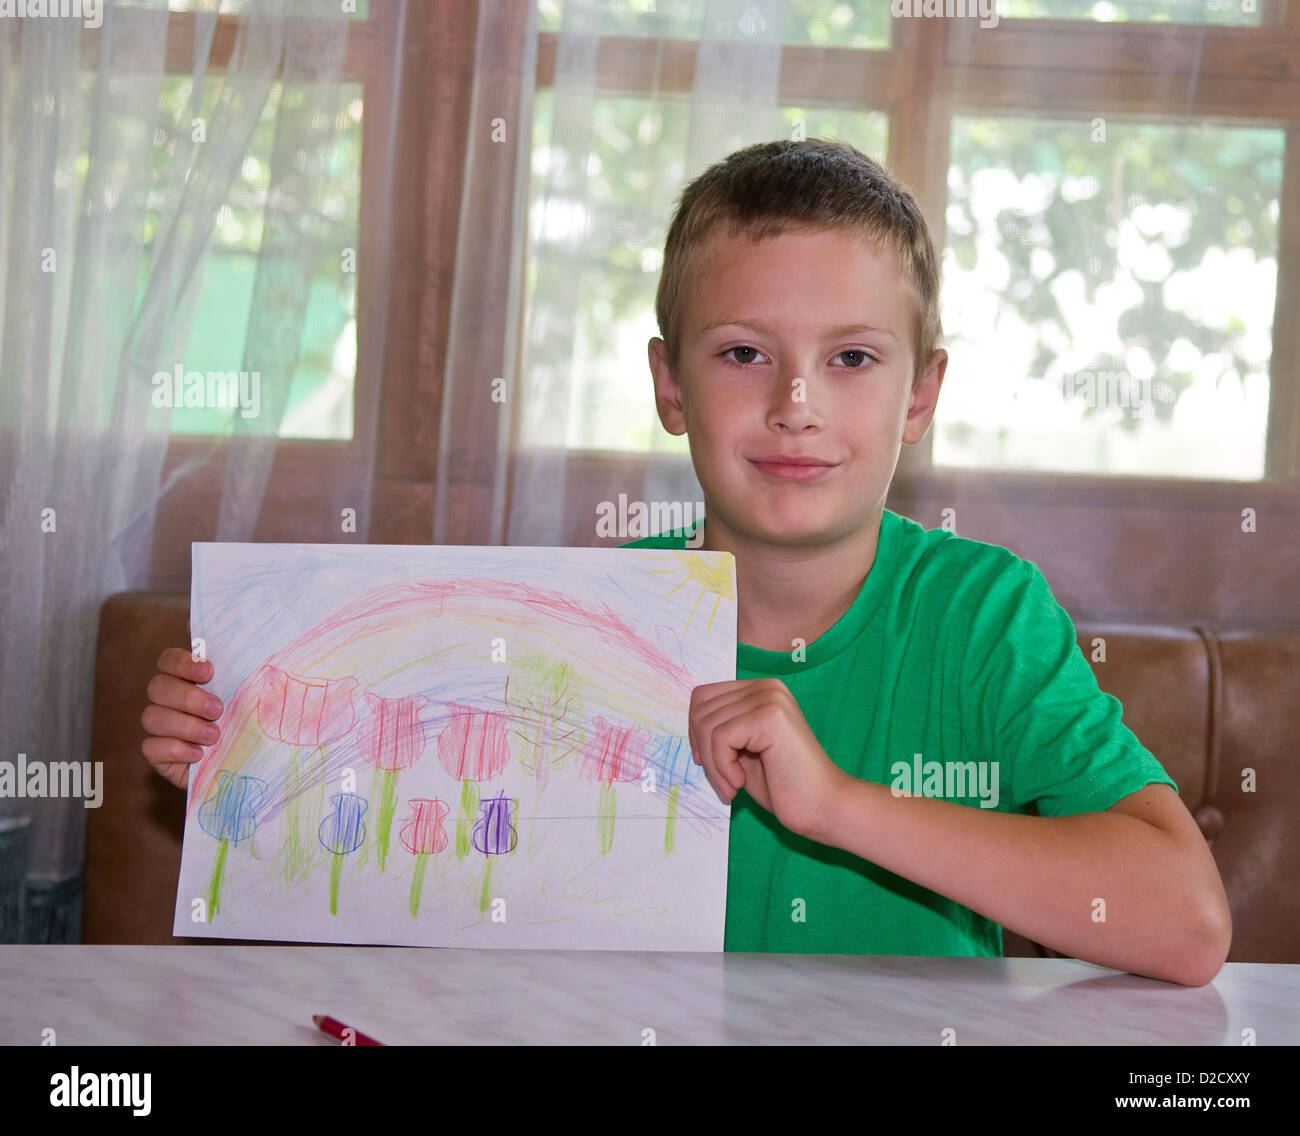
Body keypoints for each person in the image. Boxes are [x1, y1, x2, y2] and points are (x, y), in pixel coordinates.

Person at [141, 138, 1231, 985]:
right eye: (744, 353)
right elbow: (450, 899)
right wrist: (253, 754)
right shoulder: (594, 620)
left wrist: (839, 803)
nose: (794, 404)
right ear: (670, 388)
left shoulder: (983, 614)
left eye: (850, 357)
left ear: (921, 395)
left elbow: (1185, 924)